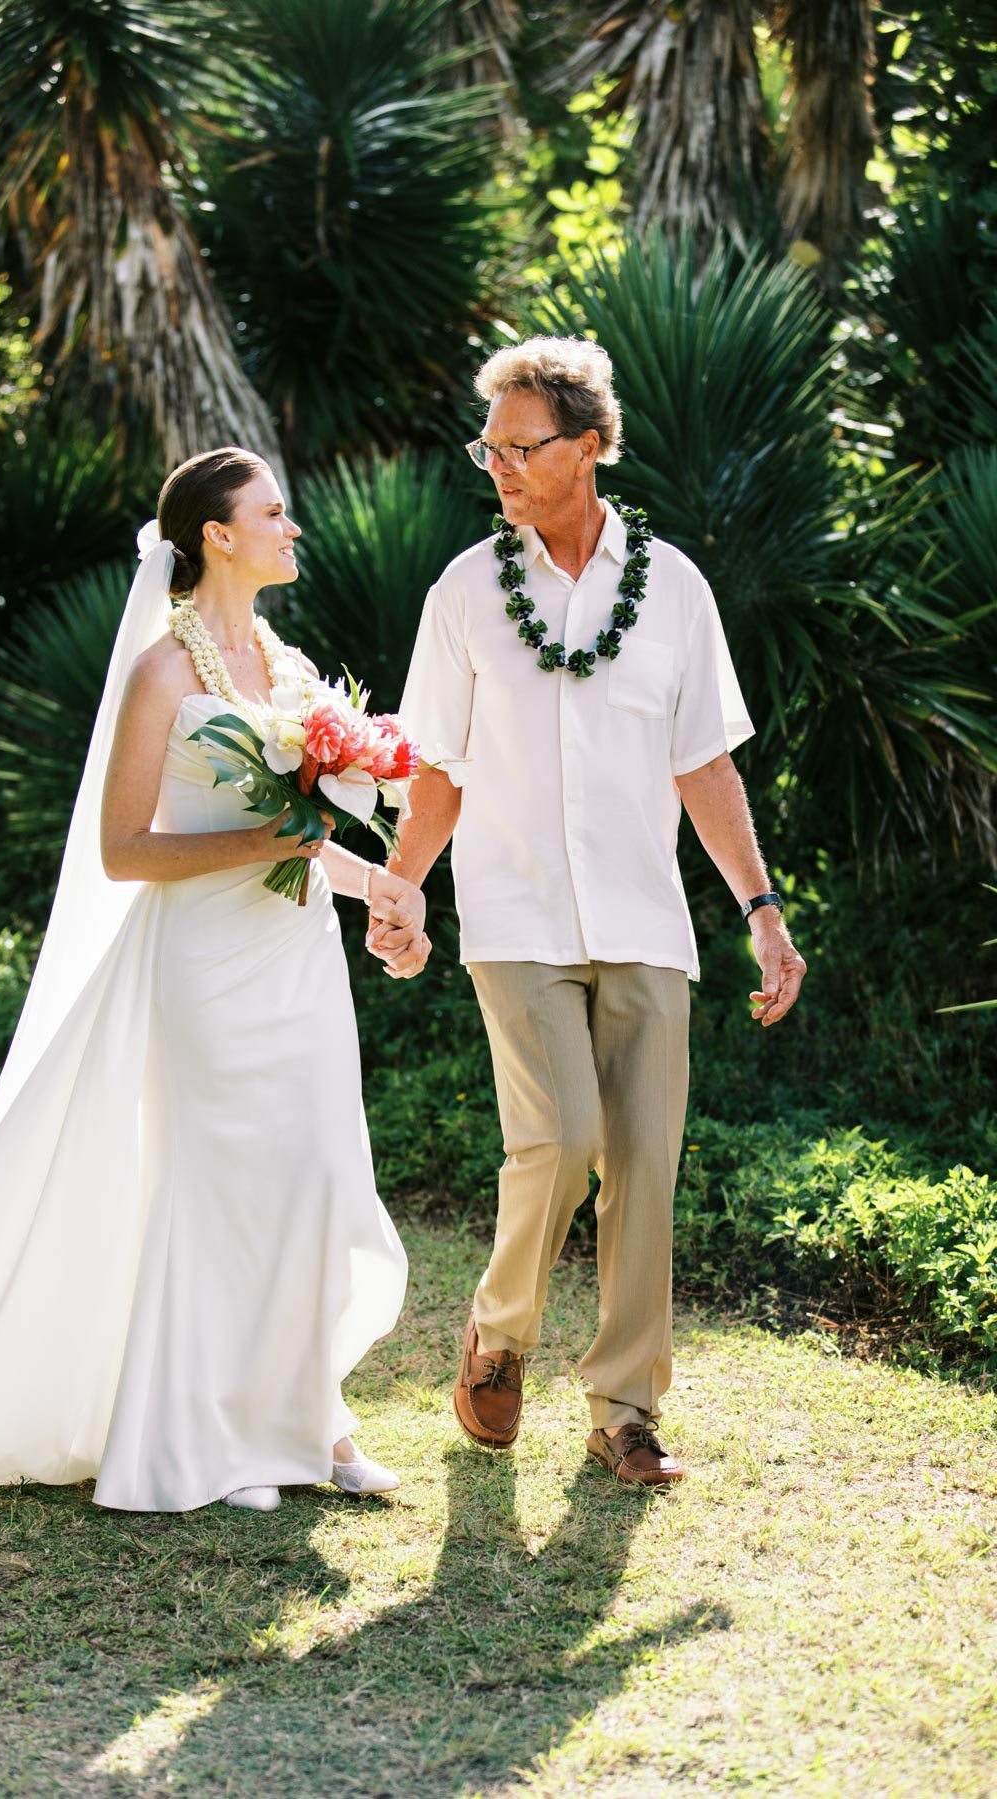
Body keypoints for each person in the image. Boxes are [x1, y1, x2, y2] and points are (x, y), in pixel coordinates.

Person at [0, 447, 422, 1516]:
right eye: (274, 512)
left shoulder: (287, 663)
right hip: (205, 963)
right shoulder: (160, 673)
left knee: (317, 1176)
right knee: (220, 1194)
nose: (294, 526)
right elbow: (124, 849)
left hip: (296, 956)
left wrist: (386, 892)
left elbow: (307, 833)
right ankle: (199, 1437)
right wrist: (262, 842)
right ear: (218, 535)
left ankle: (312, 1419)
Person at [368, 336, 807, 1487]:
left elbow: (704, 764)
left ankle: (624, 1407)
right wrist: (405, 882)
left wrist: (760, 905)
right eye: (490, 446)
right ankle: (499, 1334)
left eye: (524, 445)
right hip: (513, 918)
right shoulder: (467, 589)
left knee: (646, 1164)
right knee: (561, 1142)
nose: (500, 465)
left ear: (591, 446)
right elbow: (441, 768)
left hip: (647, 923)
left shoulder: (674, 588)